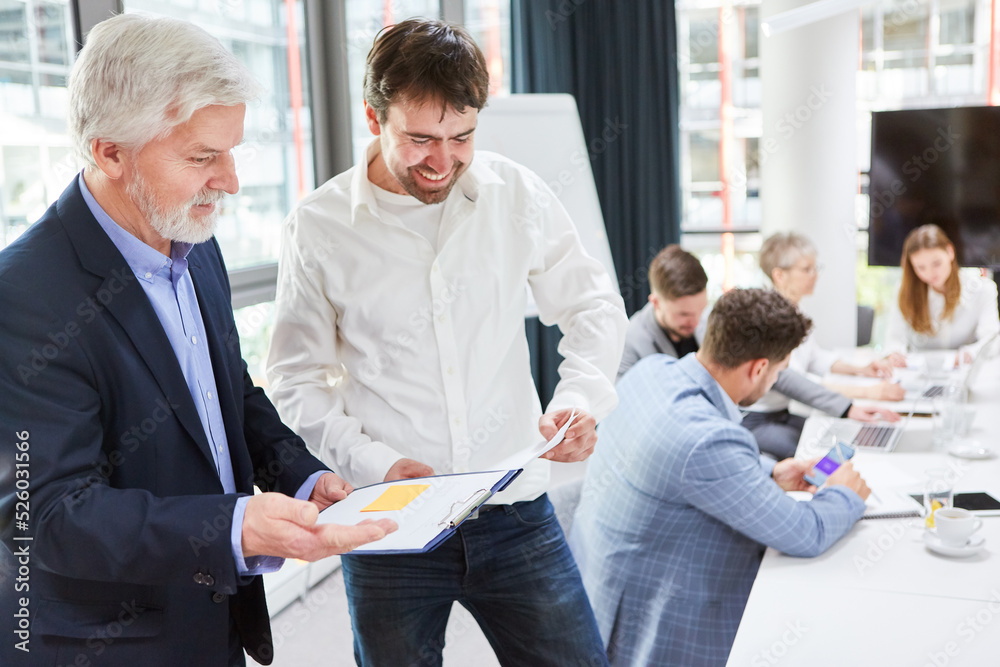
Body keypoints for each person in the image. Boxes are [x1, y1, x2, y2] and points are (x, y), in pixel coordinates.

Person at [0, 15, 395, 667]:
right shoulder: (22, 296)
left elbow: (228, 391)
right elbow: (47, 517)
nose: (230, 180)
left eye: (231, 151)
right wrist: (235, 526)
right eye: (203, 157)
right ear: (110, 153)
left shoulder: (192, 240)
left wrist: (302, 477)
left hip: (214, 622)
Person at [265, 18, 627, 667]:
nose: (442, 161)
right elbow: (296, 379)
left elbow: (593, 304)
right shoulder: (317, 227)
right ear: (374, 118)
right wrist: (374, 462)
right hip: (387, 520)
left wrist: (580, 400)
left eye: (462, 137)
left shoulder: (515, 194)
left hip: (514, 508)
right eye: (420, 139)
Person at [569, 288, 871, 667]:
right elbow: (805, 533)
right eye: (778, 372)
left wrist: (770, 472)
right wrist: (845, 493)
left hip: (598, 591)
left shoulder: (651, 370)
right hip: (657, 628)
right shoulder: (708, 440)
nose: (776, 379)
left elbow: (680, 461)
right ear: (758, 369)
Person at [621, 243, 896, 460]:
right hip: (680, 445)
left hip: (724, 427)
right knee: (808, 453)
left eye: (699, 310)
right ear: (655, 302)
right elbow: (624, 417)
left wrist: (846, 407)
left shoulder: (705, 324)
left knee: (834, 445)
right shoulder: (632, 342)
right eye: (683, 315)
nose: (694, 321)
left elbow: (777, 371)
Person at [744, 232, 900, 458]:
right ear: (779, 275)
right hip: (757, 420)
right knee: (823, 455)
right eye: (806, 269)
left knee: (844, 440)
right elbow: (793, 381)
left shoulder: (795, 311)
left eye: (815, 268)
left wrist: (861, 369)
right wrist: (864, 394)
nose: (815, 275)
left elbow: (815, 357)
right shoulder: (768, 319)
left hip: (782, 413)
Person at [884, 224, 1000, 365]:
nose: (930, 273)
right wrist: (894, 353)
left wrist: (970, 354)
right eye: (920, 267)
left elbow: (992, 340)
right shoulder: (904, 291)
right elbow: (894, 339)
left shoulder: (983, 290)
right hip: (918, 372)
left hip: (966, 371)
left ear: (950, 252)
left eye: (937, 263)